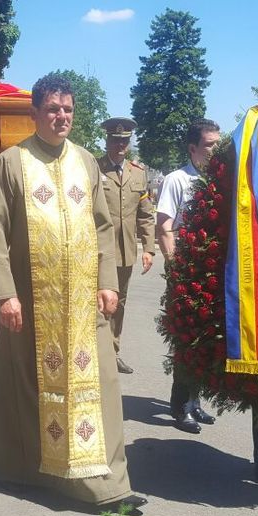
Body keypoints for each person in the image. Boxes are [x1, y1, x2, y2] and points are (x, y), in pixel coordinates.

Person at [0, 74, 145, 511]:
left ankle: (106, 480)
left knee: (102, 383)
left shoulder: (86, 162)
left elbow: (103, 225)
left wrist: (108, 281)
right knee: (29, 384)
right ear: (35, 113)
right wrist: (6, 293)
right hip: (32, 298)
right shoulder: (11, 163)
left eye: (68, 110)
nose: (62, 117)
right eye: (53, 109)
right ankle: (24, 469)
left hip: (82, 300)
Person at [156, 119, 221, 434]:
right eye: (210, 144)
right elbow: (164, 227)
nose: (215, 149)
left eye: (217, 144)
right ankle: (180, 405)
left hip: (213, 274)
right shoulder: (177, 180)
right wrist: (175, 268)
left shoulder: (220, 180)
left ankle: (196, 401)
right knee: (186, 338)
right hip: (187, 271)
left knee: (206, 339)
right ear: (193, 147)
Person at [96, 117, 156, 374]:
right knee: (95, 302)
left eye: (124, 141)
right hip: (97, 250)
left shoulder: (137, 172)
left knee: (118, 302)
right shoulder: (93, 168)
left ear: (129, 143)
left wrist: (149, 248)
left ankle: (112, 350)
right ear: (107, 140)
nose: (119, 145)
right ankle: (94, 352)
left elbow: (145, 214)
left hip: (125, 251)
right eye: (115, 140)